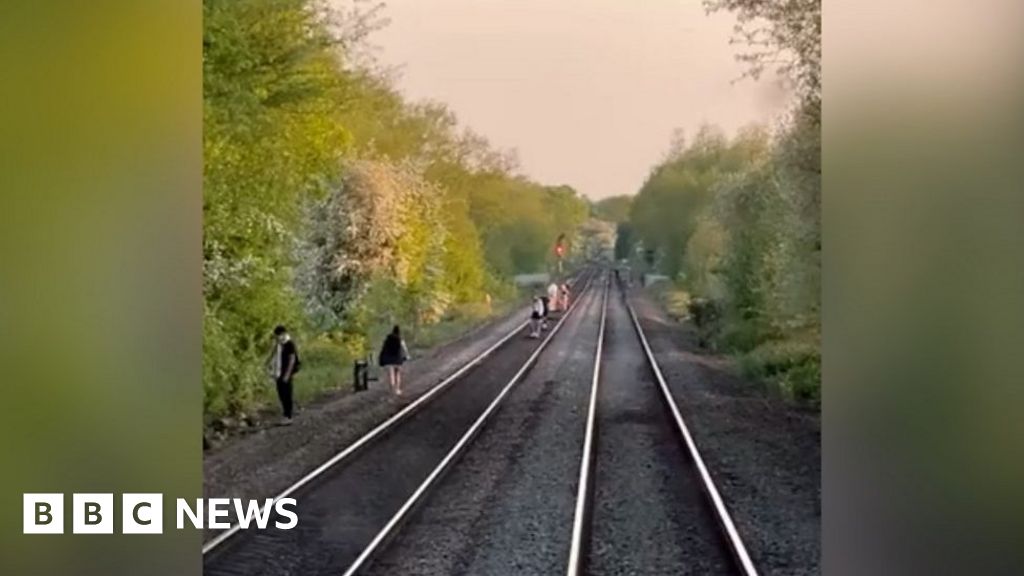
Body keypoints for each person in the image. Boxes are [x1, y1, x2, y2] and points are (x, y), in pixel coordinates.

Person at [267, 325, 300, 425]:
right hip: (279, 372)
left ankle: (288, 416)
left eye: (279, 335)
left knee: (287, 395)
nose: (277, 337)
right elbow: (273, 354)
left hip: (286, 373)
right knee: (281, 394)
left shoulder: (289, 344)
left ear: (283, 334)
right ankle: (286, 414)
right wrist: (267, 362)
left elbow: (292, 360)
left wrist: (287, 374)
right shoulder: (280, 344)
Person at [379, 325, 411, 396]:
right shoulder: (400, 339)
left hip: (389, 359)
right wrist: (407, 356)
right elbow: (404, 348)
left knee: (391, 374)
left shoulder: (387, 339)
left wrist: (382, 358)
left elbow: (383, 349)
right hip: (397, 359)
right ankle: (397, 389)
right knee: (398, 374)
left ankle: (392, 388)